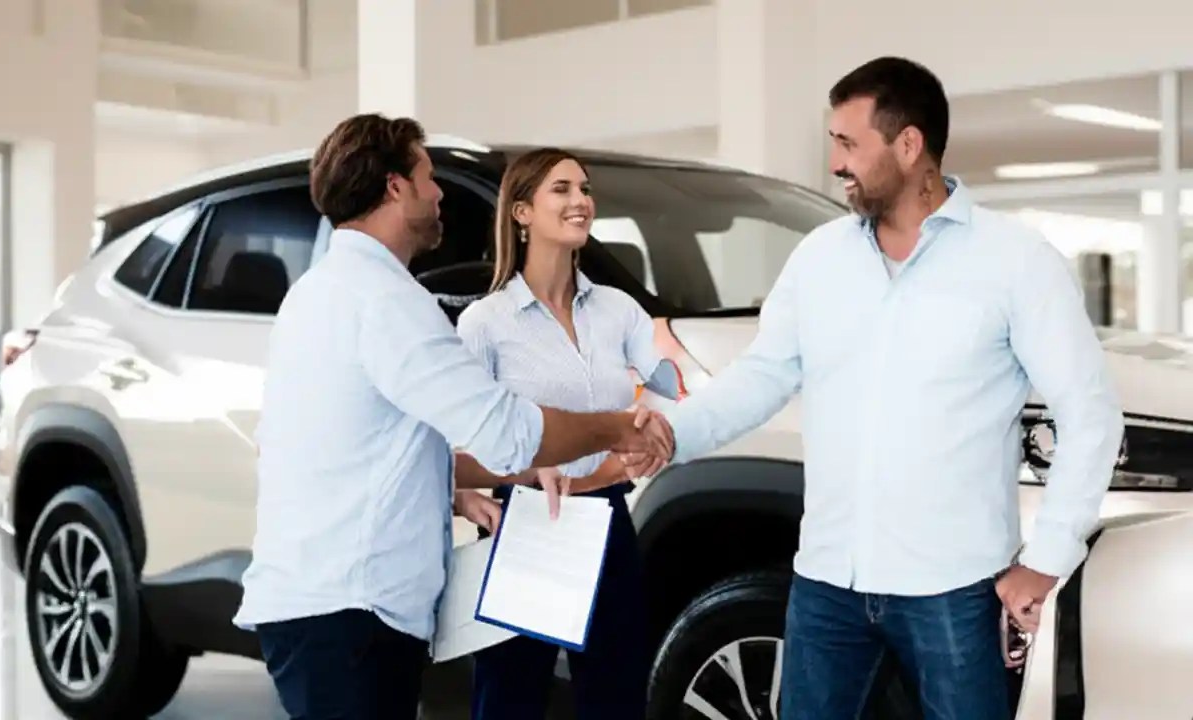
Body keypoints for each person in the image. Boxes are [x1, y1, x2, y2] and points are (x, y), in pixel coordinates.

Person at [634, 57, 1125, 719]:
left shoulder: (1015, 262)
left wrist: (1046, 559)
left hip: (953, 590)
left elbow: (1089, 412)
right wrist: (673, 432)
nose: (835, 163)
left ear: (909, 145)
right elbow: (763, 374)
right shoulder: (820, 259)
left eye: (847, 144)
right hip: (828, 584)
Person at [231, 114, 672, 720]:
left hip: (320, 603)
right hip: (353, 611)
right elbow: (510, 433)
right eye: (427, 178)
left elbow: (348, 444)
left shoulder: (318, 291)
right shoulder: (390, 303)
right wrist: (616, 428)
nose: (438, 194)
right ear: (395, 188)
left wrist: (453, 492)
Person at [451, 148, 671, 720]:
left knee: (617, 698)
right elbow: (449, 438)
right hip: (524, 523)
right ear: (521, 212)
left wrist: (657, 430)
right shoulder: (485, 324)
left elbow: (672, 392)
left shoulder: (620, 311)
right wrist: (462, 496)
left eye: (585, 188)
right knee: (509, 701)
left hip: (608, 521)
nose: (581, 201)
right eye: (562, 189)